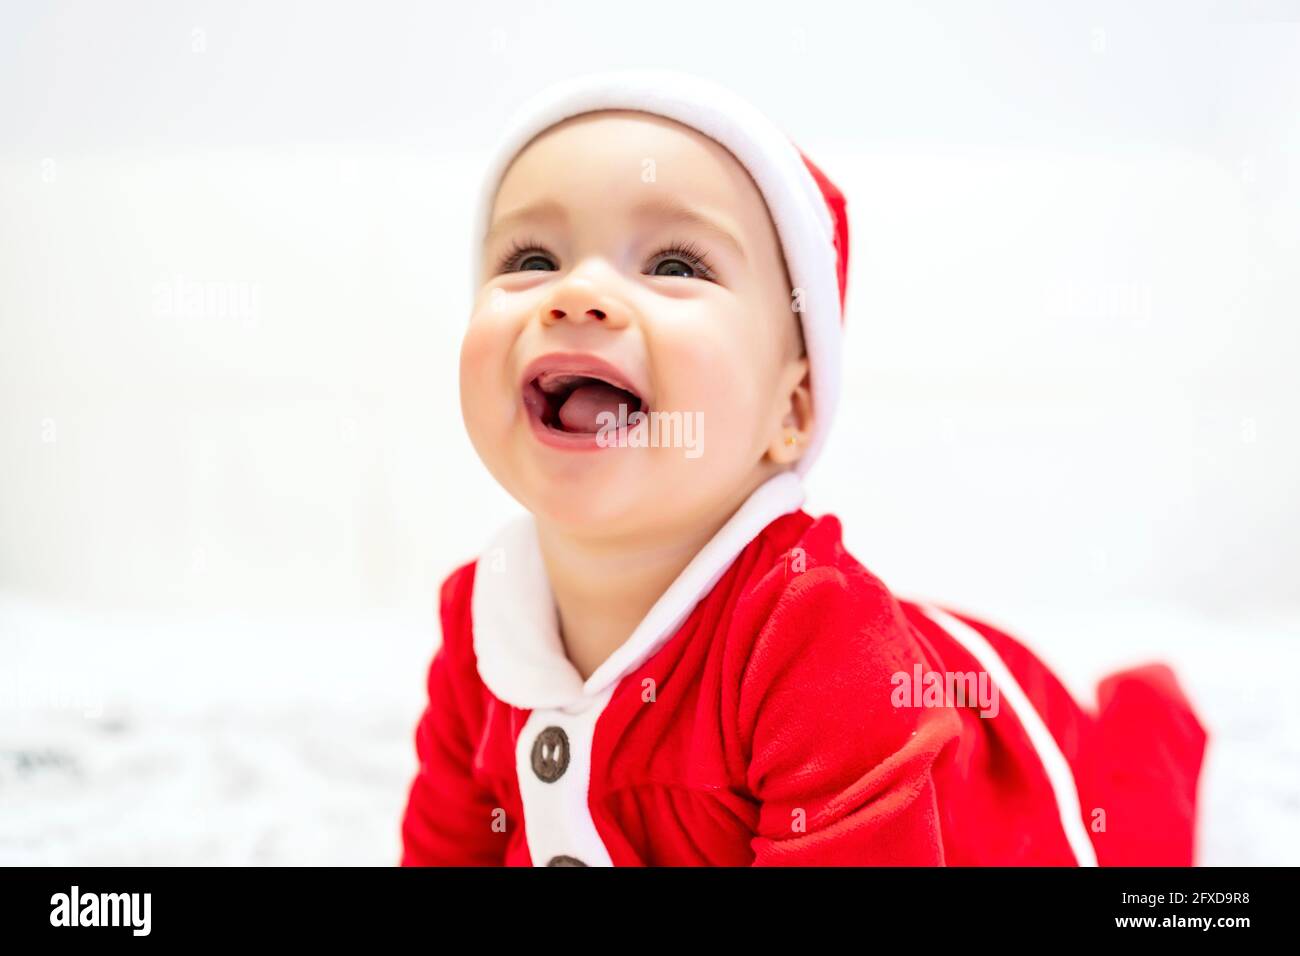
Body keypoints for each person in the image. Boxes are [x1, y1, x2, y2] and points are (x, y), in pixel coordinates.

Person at [399, 69, 1207, 866]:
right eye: (532, 256)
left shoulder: (812, 636)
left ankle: (1153, 711)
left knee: (1137, 806)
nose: (576, 295)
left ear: (789, 412)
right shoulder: (483, 621)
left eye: (675, 267)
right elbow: (451, 842)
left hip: (1001, 782)